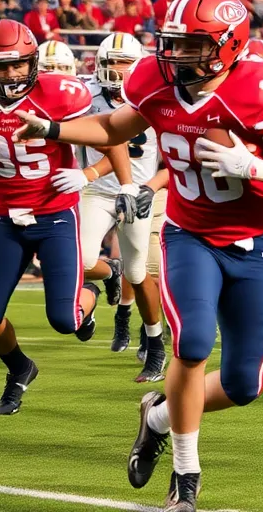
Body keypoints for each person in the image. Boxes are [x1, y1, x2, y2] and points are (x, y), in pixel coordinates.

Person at [14, 0, 263, 510]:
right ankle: (186, 476)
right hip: (189, 235)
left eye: (192, 45)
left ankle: (158, 416)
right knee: (193, 345)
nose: (176, 54)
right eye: (172, 42)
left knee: (243, 385)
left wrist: (255, 167)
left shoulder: (260, 89)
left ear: (228, 44)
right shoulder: (155, 79)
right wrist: (52, 127)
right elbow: (113, 126)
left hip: (253, 245)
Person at [0, 21, 101, 414]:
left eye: (18, 65)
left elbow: (112, 140)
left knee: (65, 321)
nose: (10, 75)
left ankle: (95, 287)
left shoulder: (60, 93)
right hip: (8, 218)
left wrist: (88, 173)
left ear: (33, 62)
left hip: (56, 215)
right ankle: (20, 368)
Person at [77, 33, 168, 382]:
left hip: (139, 193)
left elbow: (172, 155)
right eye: (110, 62)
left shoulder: (155, 96)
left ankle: (154, 343)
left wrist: (151, 187)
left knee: (139, 272)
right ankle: (109, 273)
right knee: (81, 261)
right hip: (98, 192)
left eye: (124, 62)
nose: (116, 69)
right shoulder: (85, 95)